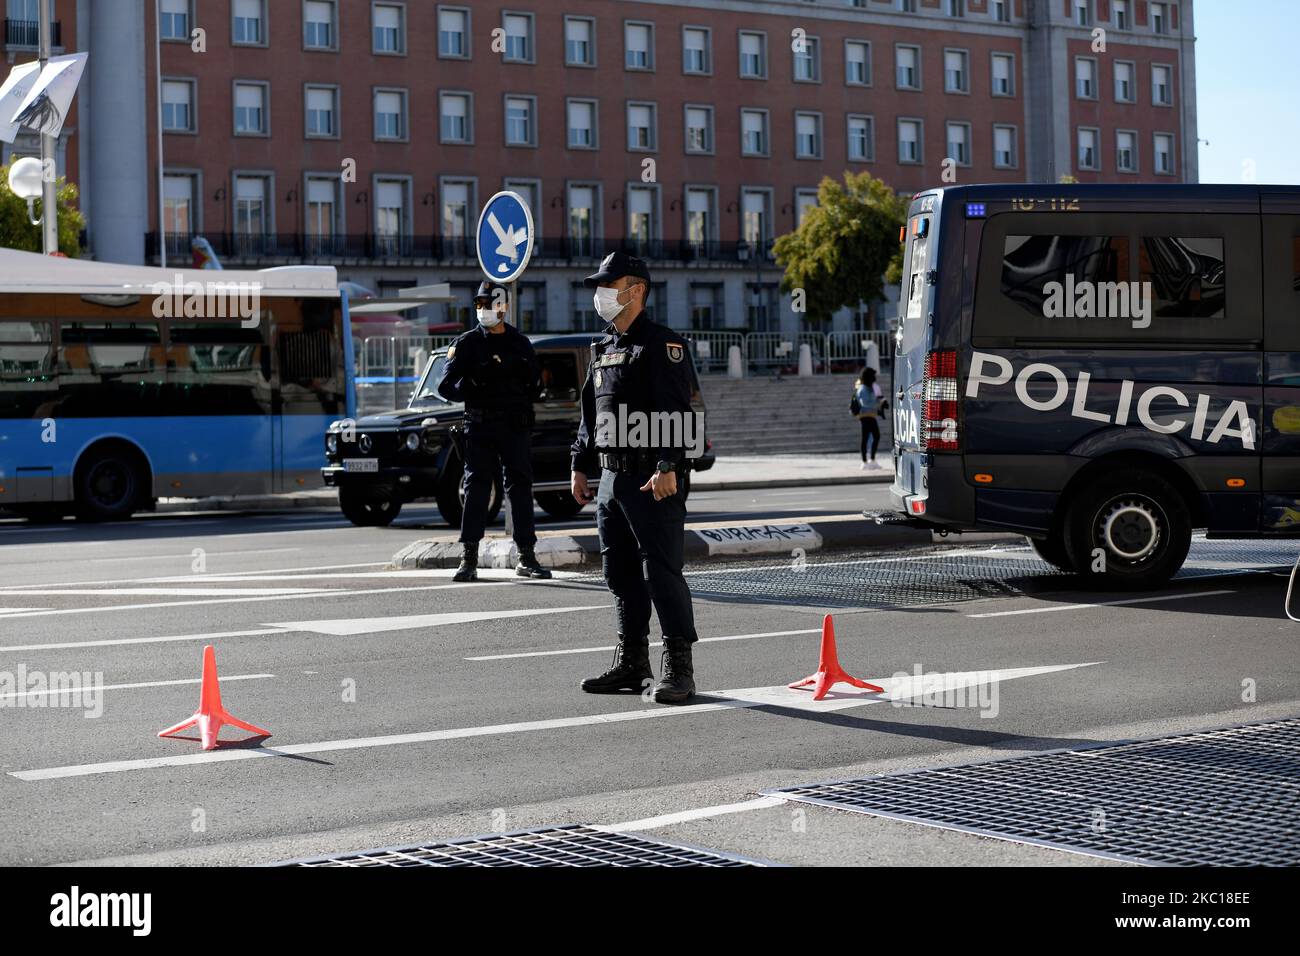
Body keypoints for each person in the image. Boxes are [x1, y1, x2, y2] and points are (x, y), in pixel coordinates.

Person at [571, 252, 699, 704]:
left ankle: (679, 669)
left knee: (661, 572)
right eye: (598, 285)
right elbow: (593, 412)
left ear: (637, 290)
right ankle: (632, 663)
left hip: (653, 476)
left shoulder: (663, 345)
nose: (601, 293)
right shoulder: (602, 346)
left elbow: (680, 412)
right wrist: (580, 462)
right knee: (620, 574)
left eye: (610, 284)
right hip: (611, 479)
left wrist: (667, 465)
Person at [437, 280, 551, 582]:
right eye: (480, 304)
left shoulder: (520, 343)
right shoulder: (466, 344)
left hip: (515, 427)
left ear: (504, 307)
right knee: (476, 491)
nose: (484, 309)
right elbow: (445, 386)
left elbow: (536, 385)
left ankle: (526, 556)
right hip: (481, 426)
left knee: (521, 490)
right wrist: (471, 386)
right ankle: (469, 558)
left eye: (490, 304)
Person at [854, 366, 885, 470]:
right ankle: (864, 461)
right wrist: (877, 403)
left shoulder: (870, 387)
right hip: (865, 416)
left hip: (871, 415)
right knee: (866, 438)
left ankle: (871, 459)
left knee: (876, 436)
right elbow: (865, 403)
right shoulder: (862, 388)